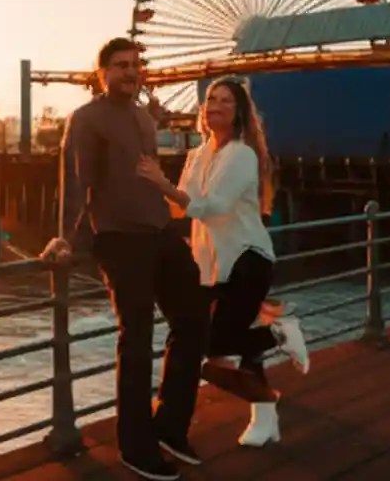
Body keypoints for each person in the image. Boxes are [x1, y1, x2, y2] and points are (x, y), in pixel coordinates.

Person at [41, 38, 207, 480]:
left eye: (135, 65)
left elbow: (148, 171)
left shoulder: (141, 116)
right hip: (118, 238)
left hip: (160, 232)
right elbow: (76, 182)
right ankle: (136, 447)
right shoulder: (86, 118)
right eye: (120, 66)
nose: (130, 72)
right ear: (102, 74)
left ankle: (169, 425)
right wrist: (66, 237)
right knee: (136, 339)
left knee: (193, 319)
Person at [136, 76, 310, 447]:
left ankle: (281, 330)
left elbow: (211, 207)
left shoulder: (243, 155)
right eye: (211, 99)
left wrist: (165, 185)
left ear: (240, 112)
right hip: (210, 264)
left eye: (226, 101)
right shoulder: (197, 155)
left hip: (247, 259)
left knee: (218, 343)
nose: (214, 105)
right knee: (242, 347)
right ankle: (265, 418)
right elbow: (182, 205)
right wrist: (154, 188)